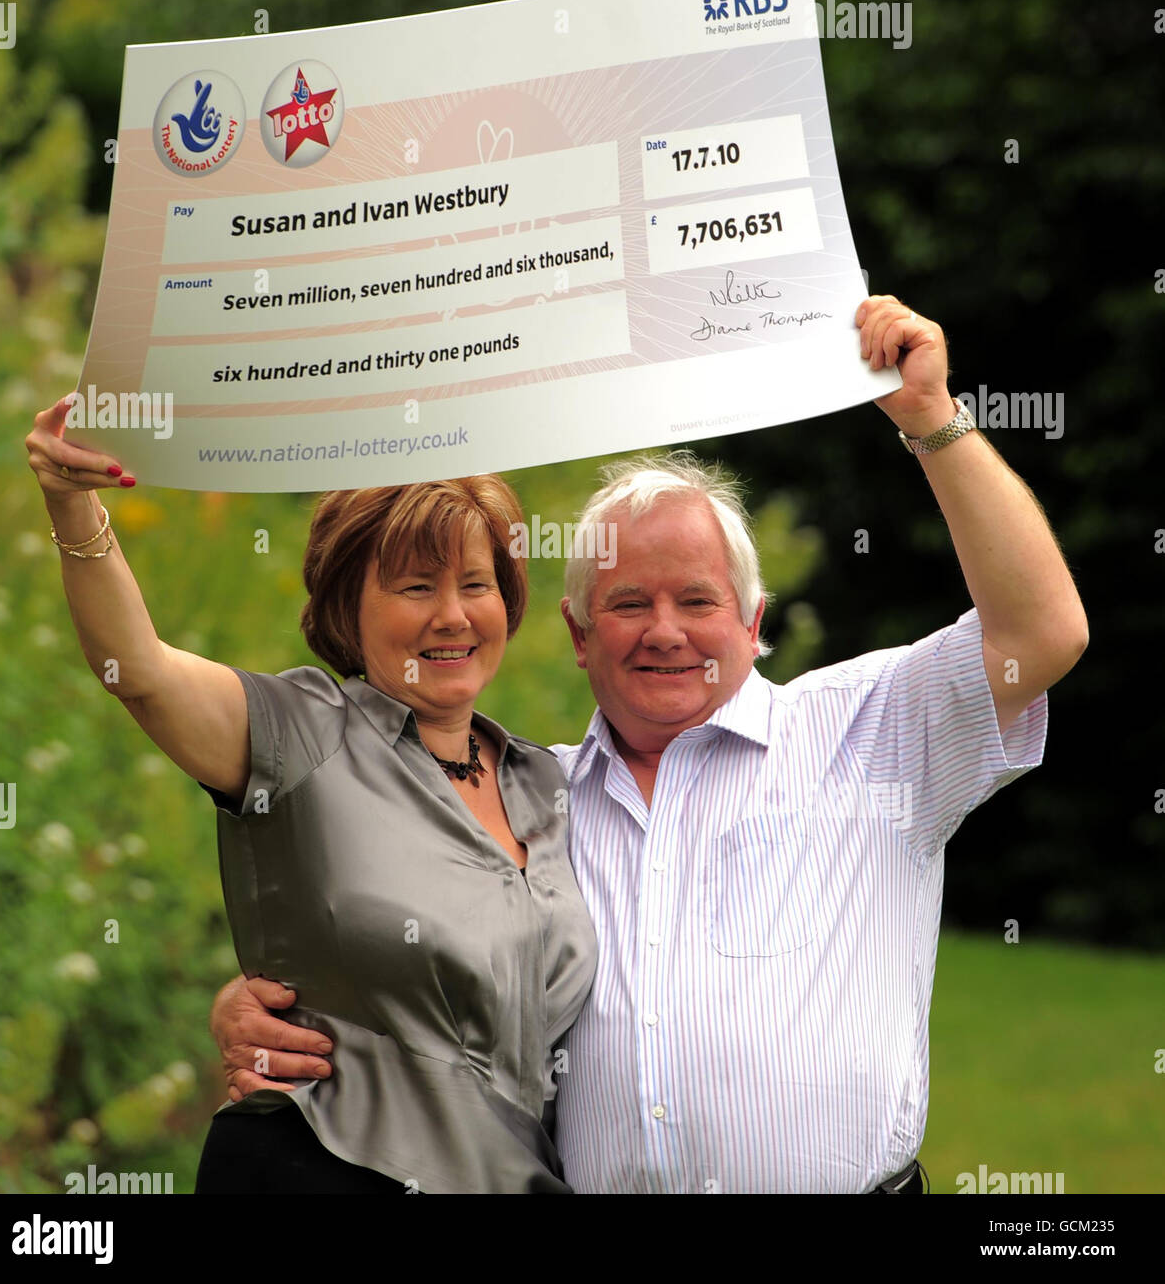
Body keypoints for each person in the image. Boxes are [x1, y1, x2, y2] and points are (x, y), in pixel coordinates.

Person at [209, 295, 1088, 1192]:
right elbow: (405, 969)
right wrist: (284, 1006)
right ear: (579, 633)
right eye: (628, 603)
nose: (663, 632)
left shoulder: (867, 730)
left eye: (697, 602)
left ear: (752, 624)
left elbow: (1040, 633)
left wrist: (930, 420)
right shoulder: (515, 801)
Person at [24, 409, 597, 1194]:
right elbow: (140, 668)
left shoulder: (553, 783)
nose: (453, 615)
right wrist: (71, 503)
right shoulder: (300, 734)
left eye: (476, 584)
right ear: (345, 609)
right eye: (415, 587)